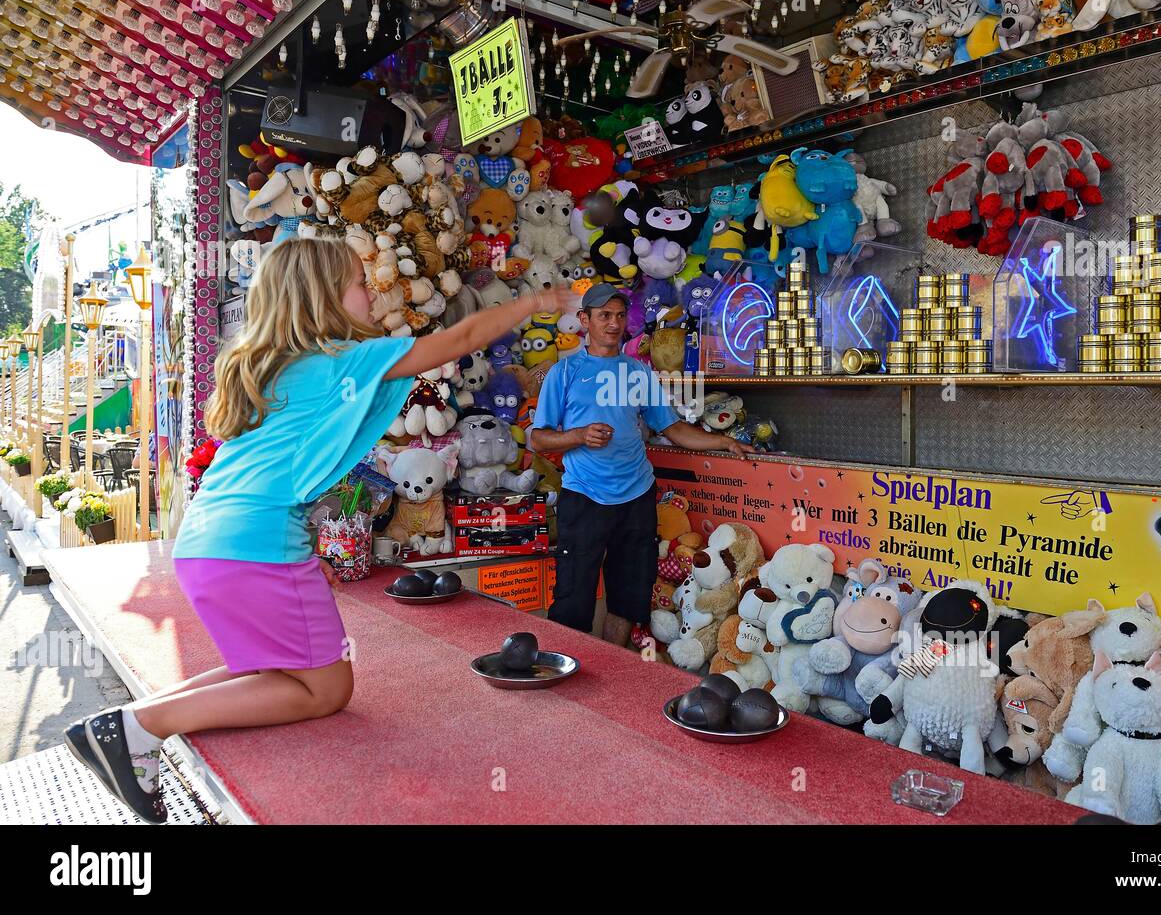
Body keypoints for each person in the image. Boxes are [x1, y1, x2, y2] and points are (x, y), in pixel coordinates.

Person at [64, 237, 571, 823]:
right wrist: (537, 302)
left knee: (269, 670)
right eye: (359, 282)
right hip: (254, 546)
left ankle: (124, 726)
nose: (371, 291)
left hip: (209, 544)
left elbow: (279, 470)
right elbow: (458, 341)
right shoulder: (339, 363)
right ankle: (143, 725)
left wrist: (304, 552)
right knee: (325, 690)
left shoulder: (274, 368)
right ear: (324, 296)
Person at [532, 283, 750, 649]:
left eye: (620, 316)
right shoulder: (565, 372)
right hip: (584, 495)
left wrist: (723, 441)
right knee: (572, 596)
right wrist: (579, 435)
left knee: (630, 595)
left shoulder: (638, 371)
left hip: (636, 495)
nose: (614, 323)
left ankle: (613, 669)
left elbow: (672, 428)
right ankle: (567, 668)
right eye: (604, 315)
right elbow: (538, 439)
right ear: (584, 320)